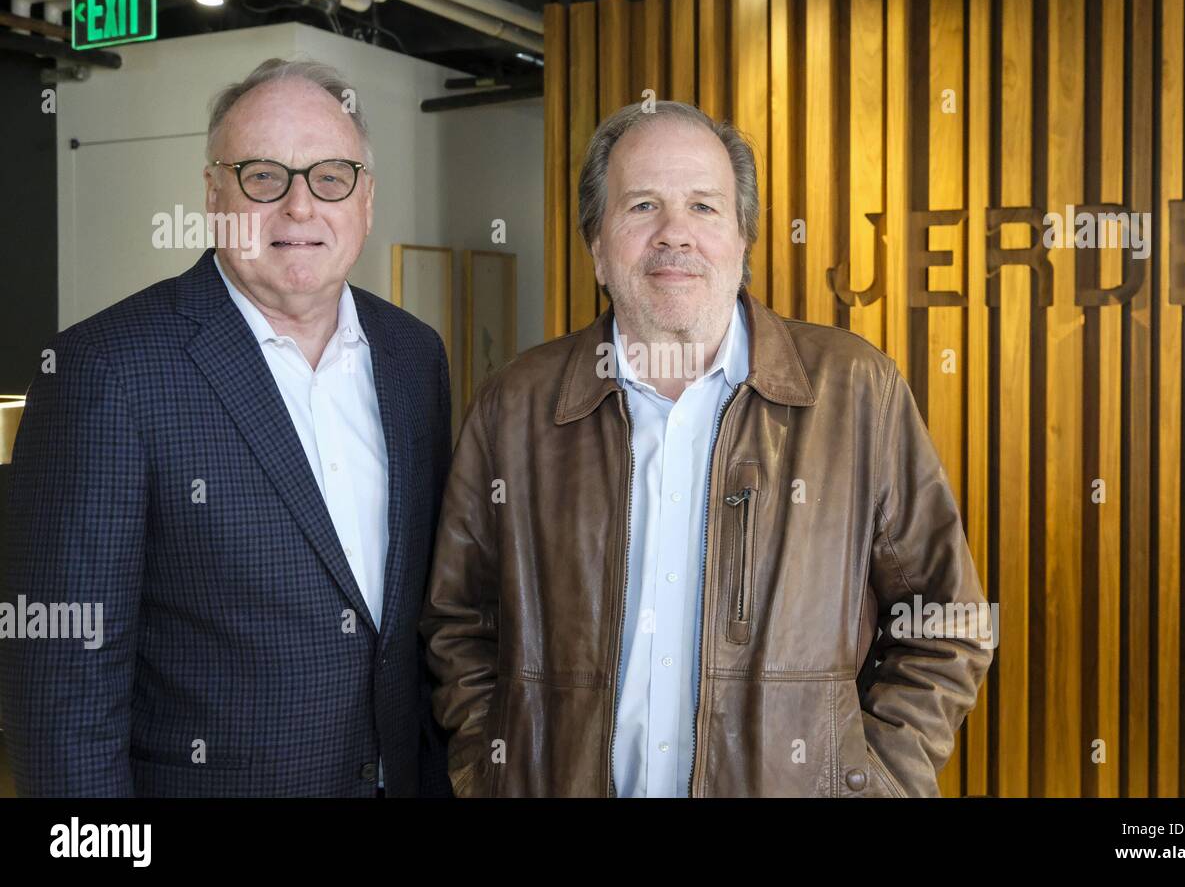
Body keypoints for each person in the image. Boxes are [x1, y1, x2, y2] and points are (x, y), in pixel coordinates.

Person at [423, 100, 994, 797]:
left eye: (703, 206)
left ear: (743, 238)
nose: (675, 235)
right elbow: (459, 621)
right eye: (642, 206)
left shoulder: (854, 391)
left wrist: (869, 784)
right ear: (596, 247)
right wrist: (493, 772)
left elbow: (945, 621)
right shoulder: (514, 405)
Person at [0, 58, 451, 797]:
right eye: (262, 176)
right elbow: (62, 693)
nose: (300, 206)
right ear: (213, 195)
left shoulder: (413, 356)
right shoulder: (104, 371)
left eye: (331, 175)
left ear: (366, 200)